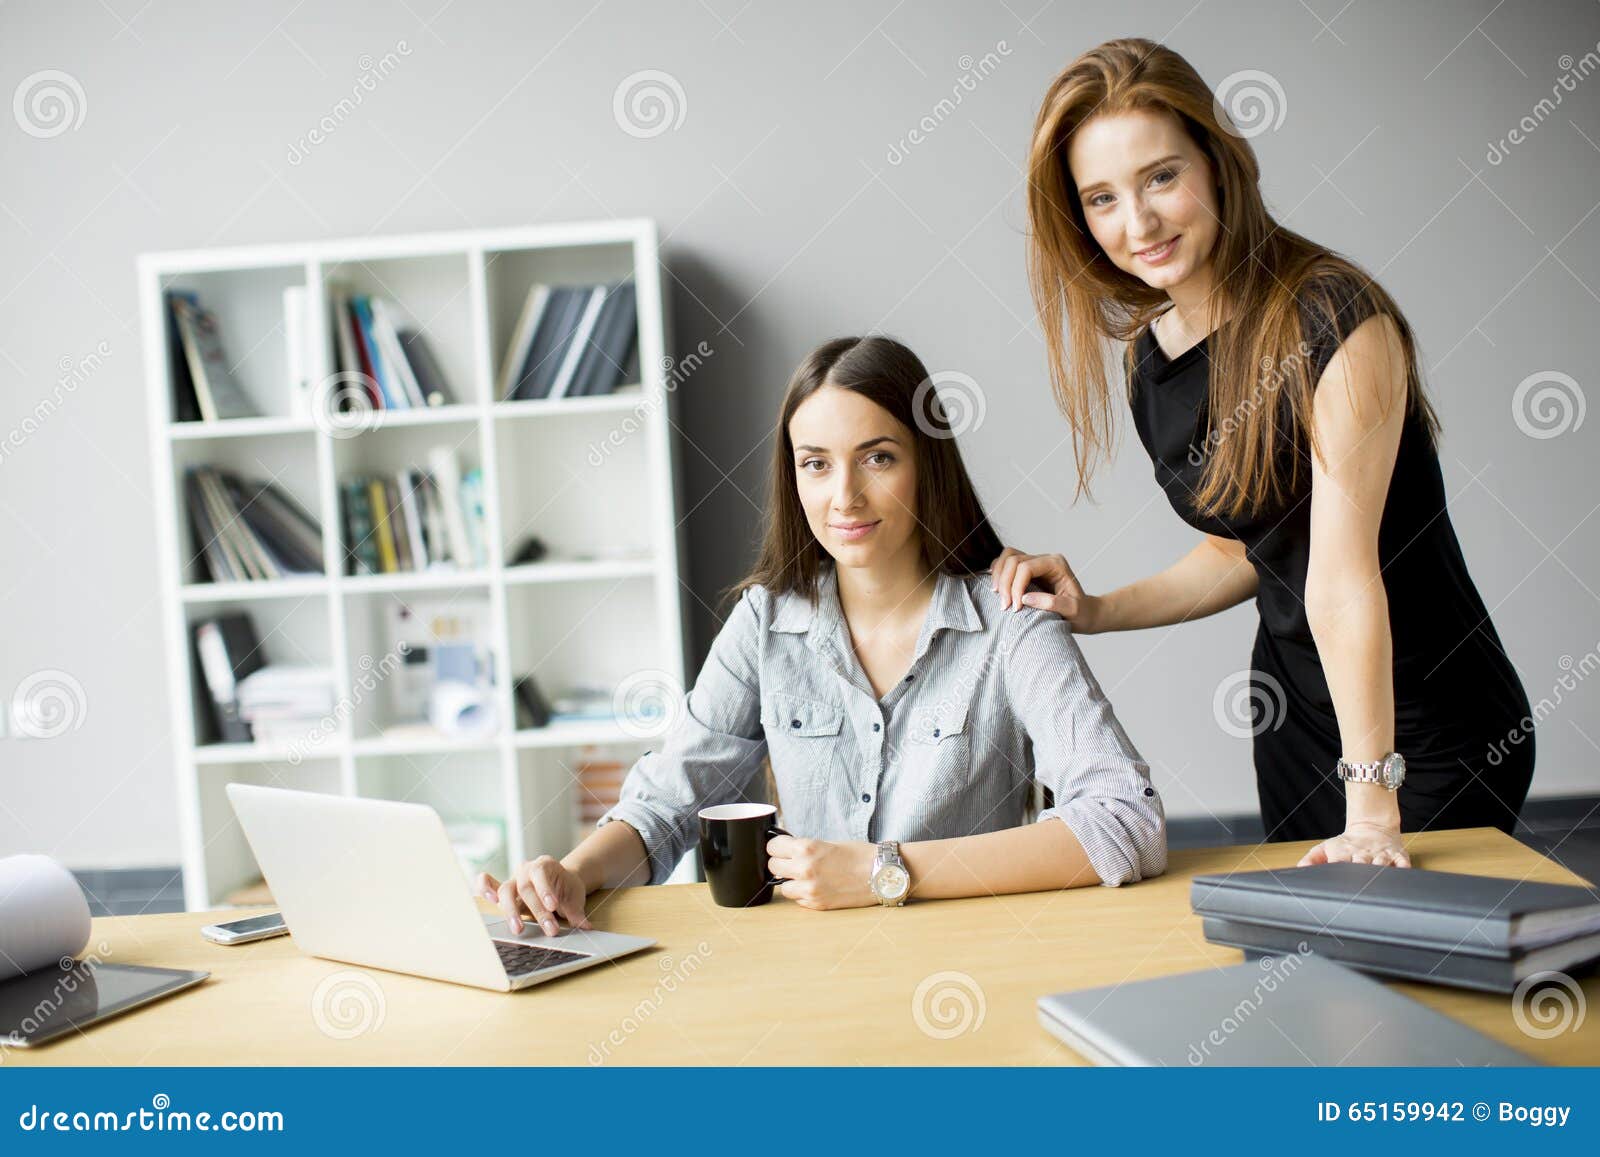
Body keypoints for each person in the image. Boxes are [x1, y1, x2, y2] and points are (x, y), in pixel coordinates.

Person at [994, 38, 1534, 870]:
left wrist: (1371, 807)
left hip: (1425, 728)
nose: (1137, 224)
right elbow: (1244, 551)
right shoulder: (1152, 357)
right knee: (1305, 950)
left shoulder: (1336, 320)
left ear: (1218, 163)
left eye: (1160, 177)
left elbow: (1341, 577)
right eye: (1102, 198)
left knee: (1409, 946)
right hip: (1296, 718)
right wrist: (1095, 609)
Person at [480, 335, 1165, 935]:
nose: (845, 497)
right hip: (812, 973)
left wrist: (885, 872)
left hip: (972, 970)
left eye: (878, 458)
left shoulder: (1010, 619)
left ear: (927, 464)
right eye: (816, 463)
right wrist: (574, 873)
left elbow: (1126, 819)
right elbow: (667, 803)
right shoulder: (763, 623)